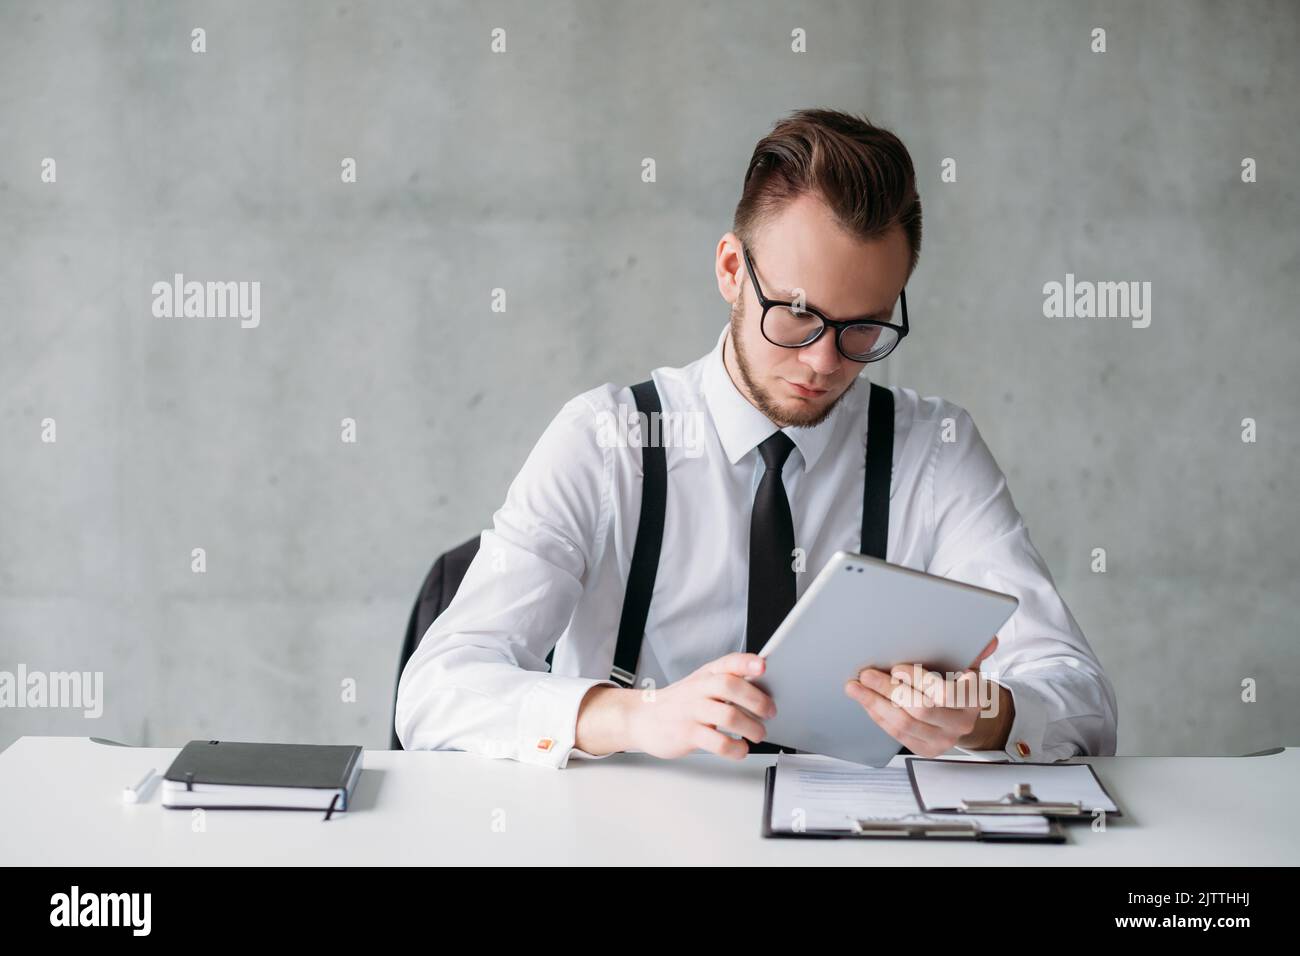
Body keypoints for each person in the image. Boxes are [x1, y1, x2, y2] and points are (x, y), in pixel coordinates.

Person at [396, 108, 1117, 768]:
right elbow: (435, 689)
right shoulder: (607, 440)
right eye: (799, 316)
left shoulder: (936, 450)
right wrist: (633, 716)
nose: (825, 361)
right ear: (732, 271)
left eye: (863, 326)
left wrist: (987, 717)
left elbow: (1079, 694)